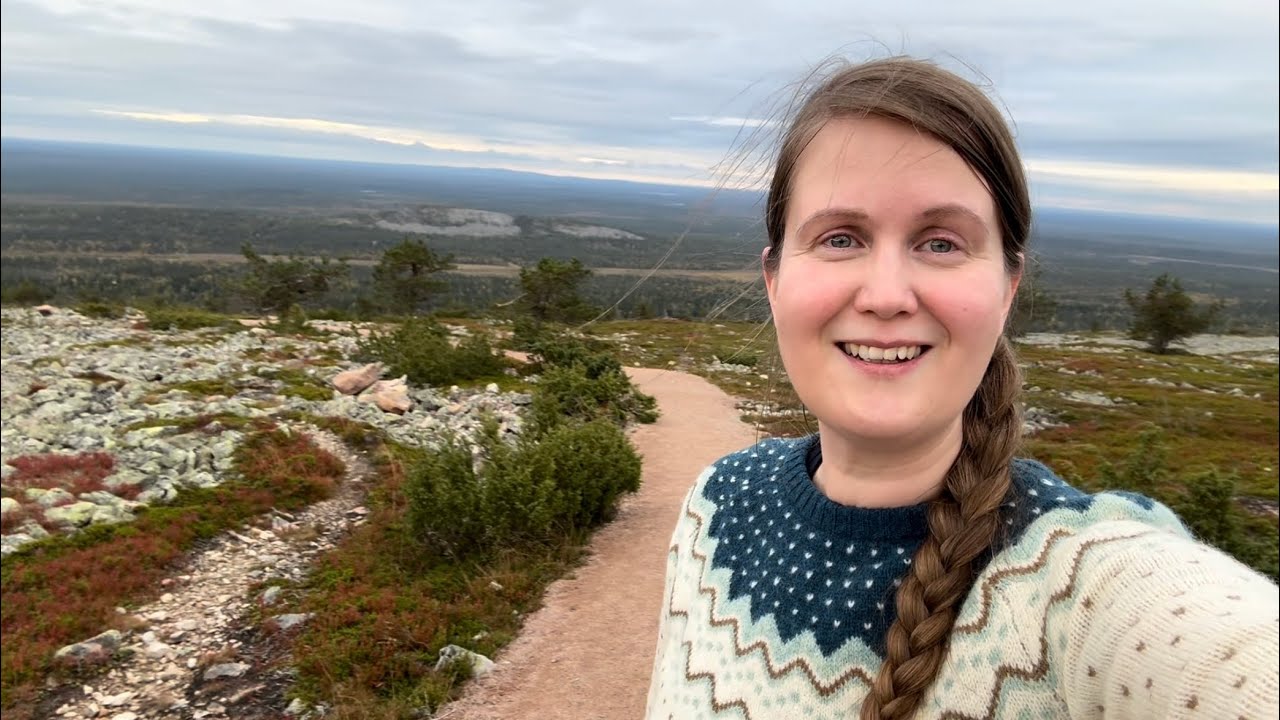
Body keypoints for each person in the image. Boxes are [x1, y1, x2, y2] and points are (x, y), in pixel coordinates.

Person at [645, 56, 1278, 720]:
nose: (887, 296)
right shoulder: (714, 507)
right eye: (839, 238)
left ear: (1008, 287)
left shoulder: (1078, 586)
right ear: (775, 282)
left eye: (942, 243)